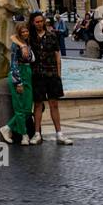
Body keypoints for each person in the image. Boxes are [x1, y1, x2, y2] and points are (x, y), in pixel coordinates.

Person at [28, 12, 73, 145]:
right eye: (37, 22)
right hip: (37, 75)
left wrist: (59, 74)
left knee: (54, 104)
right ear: (32, 23)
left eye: (41, 21)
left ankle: (59, 133)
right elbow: (14, 37)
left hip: (52, 74)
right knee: (37, 105)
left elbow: (57, 55)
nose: (40, 24)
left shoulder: (52, 36)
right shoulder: (30, 38)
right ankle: (37, 134)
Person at [1, 19, 36, 145]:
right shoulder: (16, 45)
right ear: (19, 33)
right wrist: (18, 82)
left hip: (27, 73)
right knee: (20, 109)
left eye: (26, 31)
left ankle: (8, 127)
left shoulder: (26, 42)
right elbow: (14, 63)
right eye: (23, 31)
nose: (26, 33)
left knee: (27, 109)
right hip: (19, 74)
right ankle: (24, 135)